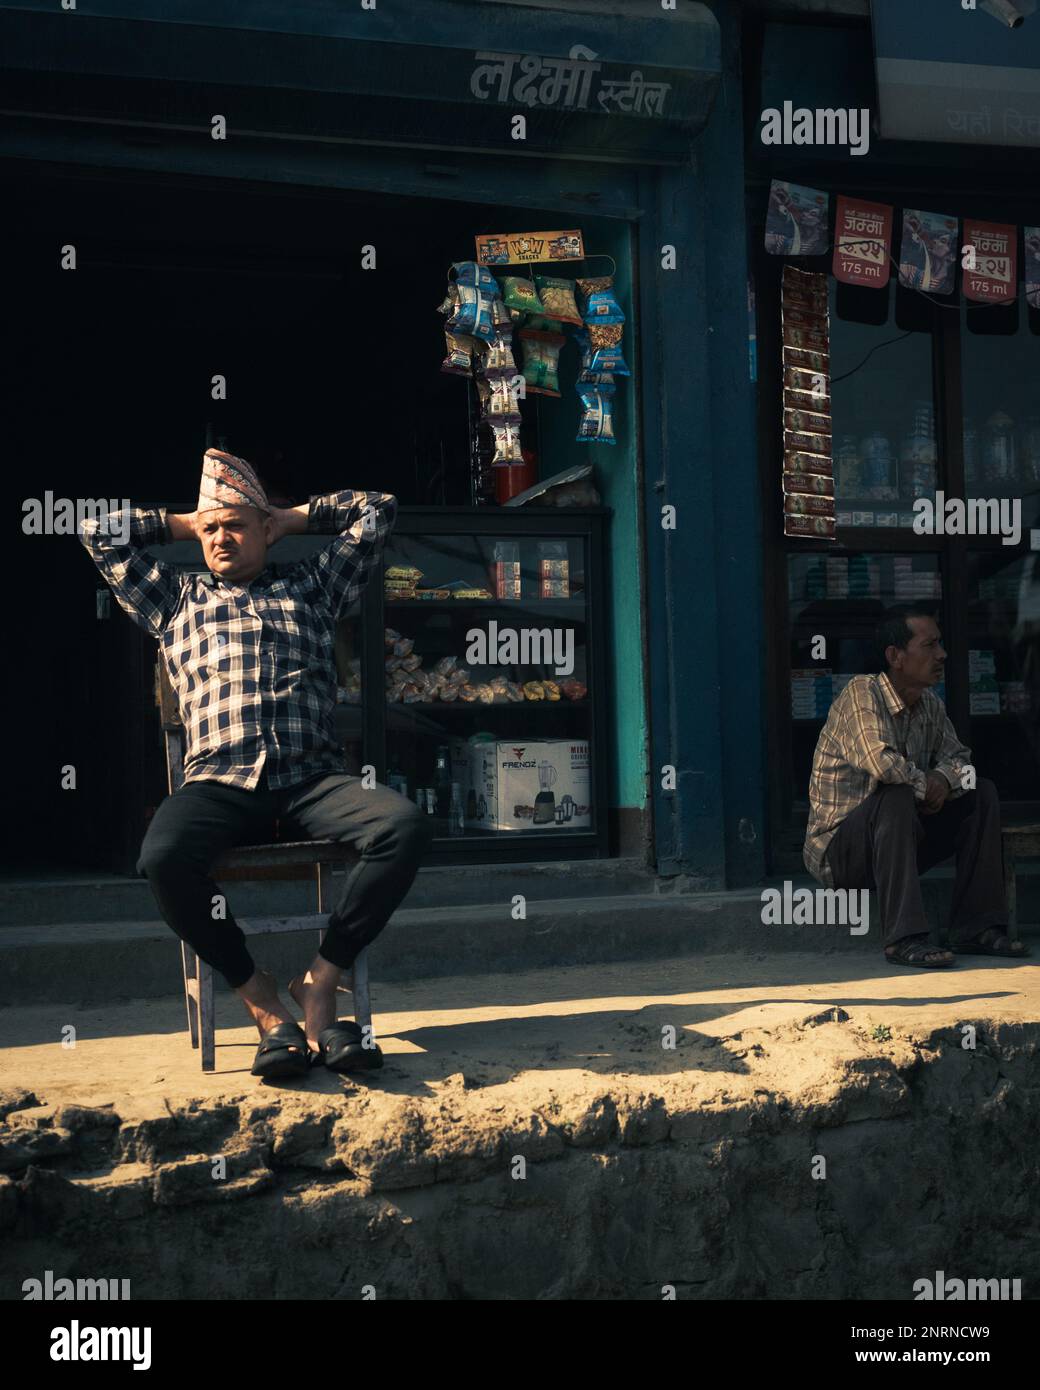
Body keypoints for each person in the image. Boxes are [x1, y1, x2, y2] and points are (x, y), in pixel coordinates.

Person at [79, 447, 433, 1075]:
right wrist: (191, 520)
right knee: (161, 858)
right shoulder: (175, 600)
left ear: (265, 532)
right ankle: (262, 1000)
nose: (220, 538)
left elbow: (377, 511)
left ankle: (321, 983)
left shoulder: (315, 586)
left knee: (401, 826)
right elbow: (93, 528)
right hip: (220, 784)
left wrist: (284, 516)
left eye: (235, 527)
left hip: (312, 781)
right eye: (211, 530)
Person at [803, 604, 1030, 968]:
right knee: (895, 794)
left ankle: (975, 928)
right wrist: (929, 785)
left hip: (898, 841)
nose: (942, 655)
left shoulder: (929, 705)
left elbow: (961, 759)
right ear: (895, 656)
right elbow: (881, 762)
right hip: (842, 856)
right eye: (929, 646)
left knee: (980, 792)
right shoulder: (861, 693)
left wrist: (944, 779)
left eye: (940, 645)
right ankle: (903, 939)